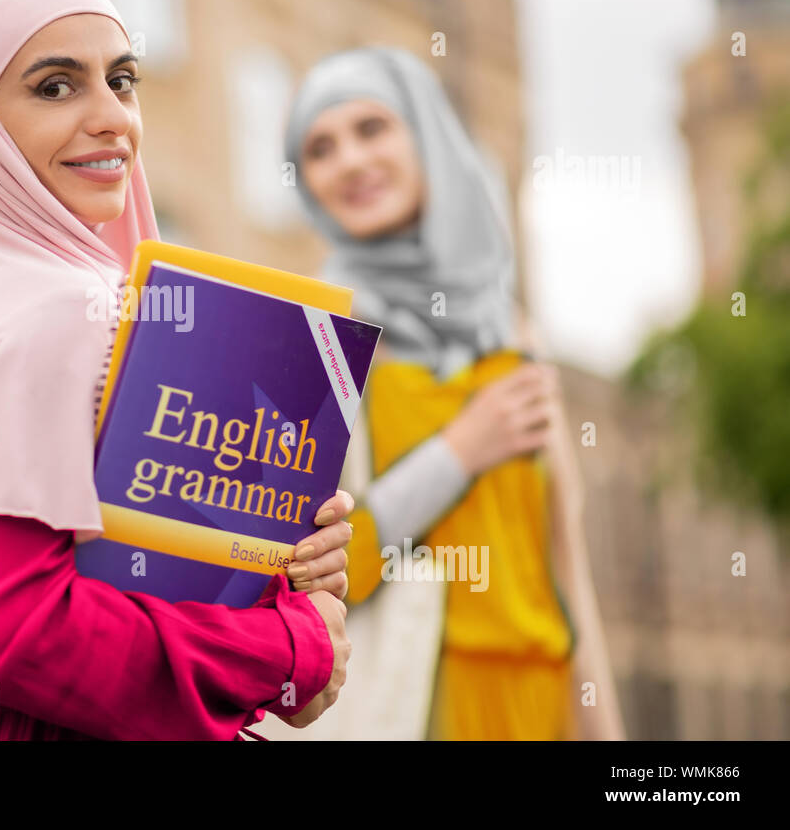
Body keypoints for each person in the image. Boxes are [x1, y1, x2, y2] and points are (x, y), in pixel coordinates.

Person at [0, 0, 356, 741]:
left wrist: (279, 571)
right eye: (55, 87)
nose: (113, 119)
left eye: (122, 81)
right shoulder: (61, 311)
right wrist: (289, 643)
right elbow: (10, 631)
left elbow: (104, 580)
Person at [254, 46, 625, 741]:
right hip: (416, 709)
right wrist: (459, 452)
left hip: (538, 705)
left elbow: (564, 568)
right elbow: (307, 573)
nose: (351, 161)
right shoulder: (318, 337)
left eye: (372, 128)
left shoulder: (514, 334)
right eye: (321, 148)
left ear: (425, 134)